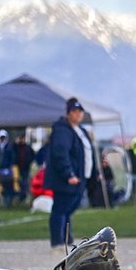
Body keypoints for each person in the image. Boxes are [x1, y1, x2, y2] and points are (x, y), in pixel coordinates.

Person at [46, 98, 98, 250]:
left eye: (80, 111)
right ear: (68, 113)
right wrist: (68, 173)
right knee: (60, 209)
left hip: (81, 177)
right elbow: (60, 153)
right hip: (67, 178)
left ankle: (67, 240)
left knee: (69, 209)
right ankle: (57, 243)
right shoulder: (62, 130)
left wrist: (94, 173)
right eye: (74, 111)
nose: (78, 114)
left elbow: (88, 153)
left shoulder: (80, 130)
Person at [13, 134, 36, 206]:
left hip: (26, 168)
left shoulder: (28, 147)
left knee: (24, 183)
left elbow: (32, 156)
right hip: (18, 167)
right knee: (18, 182)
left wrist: (29, 162)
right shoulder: (16, 147)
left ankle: (23, 196)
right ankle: (20, 196)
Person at [0, 130, 17, 208]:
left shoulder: (9, 147)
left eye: (3, 138)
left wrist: (9, 167)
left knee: (8, 185)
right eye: (1, 138)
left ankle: (7, 201)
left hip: (7, 169)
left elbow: (12, 158)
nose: (2, 139)